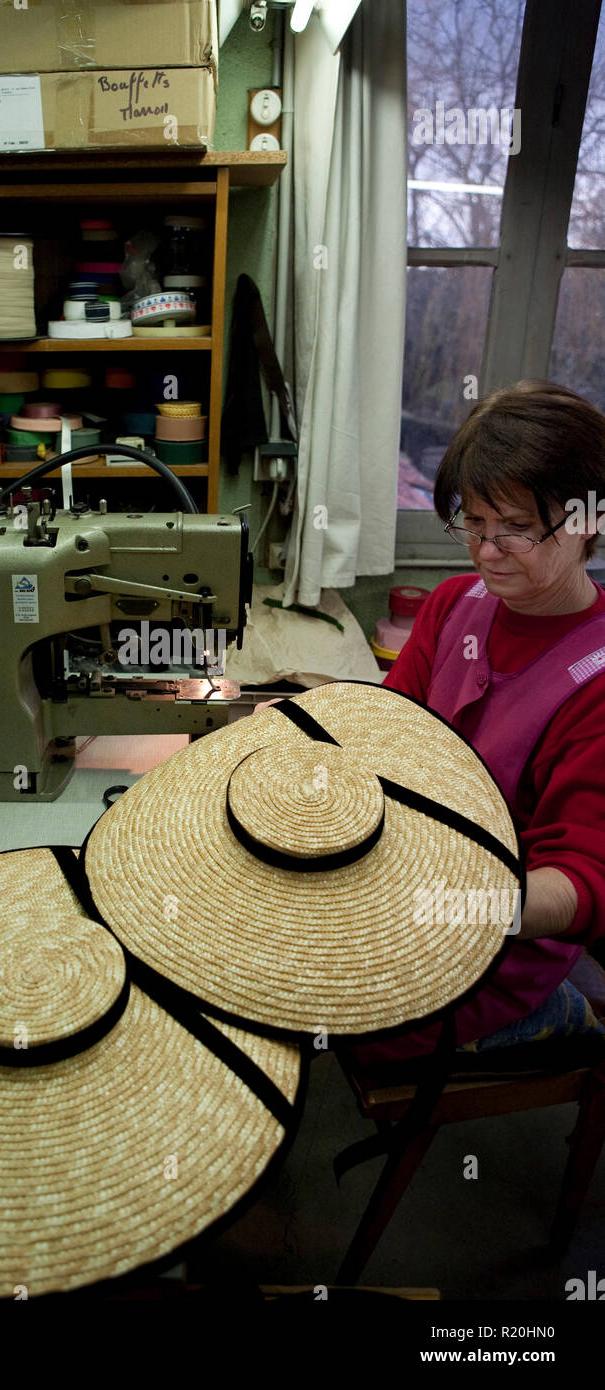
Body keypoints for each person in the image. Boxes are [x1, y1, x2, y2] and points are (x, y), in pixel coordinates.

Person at [358, 379, 605, 1062]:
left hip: (499, 947)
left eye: (517, 528)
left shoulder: (597, 679)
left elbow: (581, 879)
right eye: (472, 521)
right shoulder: (453, 604)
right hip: (407, 881)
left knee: (303, 1001)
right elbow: (389, 734)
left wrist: (459, 909)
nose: (486, 550)